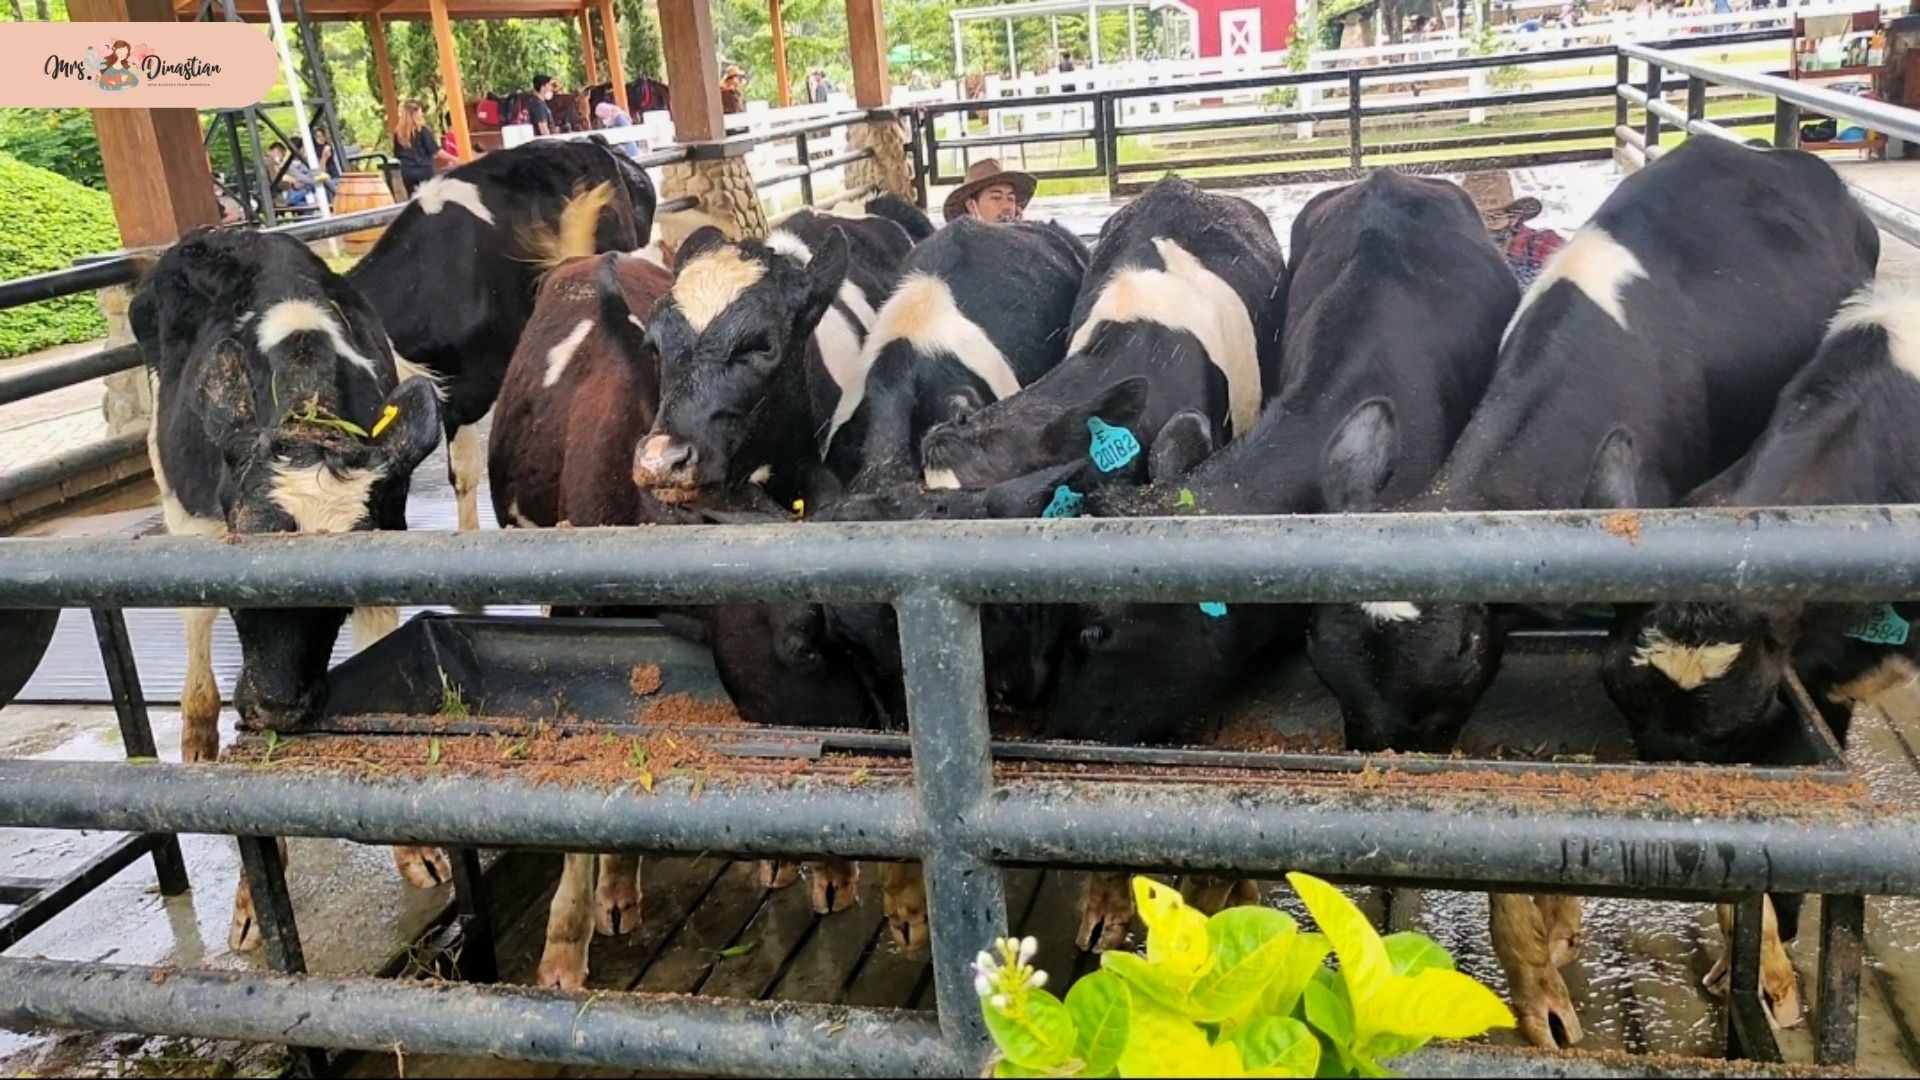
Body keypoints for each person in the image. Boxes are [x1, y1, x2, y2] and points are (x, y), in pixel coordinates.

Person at [942, 158, 1035, 224]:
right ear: (971, 205)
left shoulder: (1029, 237)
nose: (1007, 206)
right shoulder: (958, 247)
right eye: (996, 198)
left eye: (1010, 199)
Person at [393, 99, 452, 195]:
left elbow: (397, 154)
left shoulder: (398, 134)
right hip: (424, 171)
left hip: (407, 172)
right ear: (416, 114)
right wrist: (455, 159)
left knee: (414, 199)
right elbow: (436, 152)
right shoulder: (422, 131)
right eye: (420, 113)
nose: (422, 115)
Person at [266, 141, 319, 207]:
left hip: (277, 196)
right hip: (277, 198)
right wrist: (292, 185)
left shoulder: (268, 162)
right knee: (308, 189)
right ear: (278, 152)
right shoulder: (271, 163)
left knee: (302, 202)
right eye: (283, 155)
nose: (282, 158)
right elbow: (277, 181)